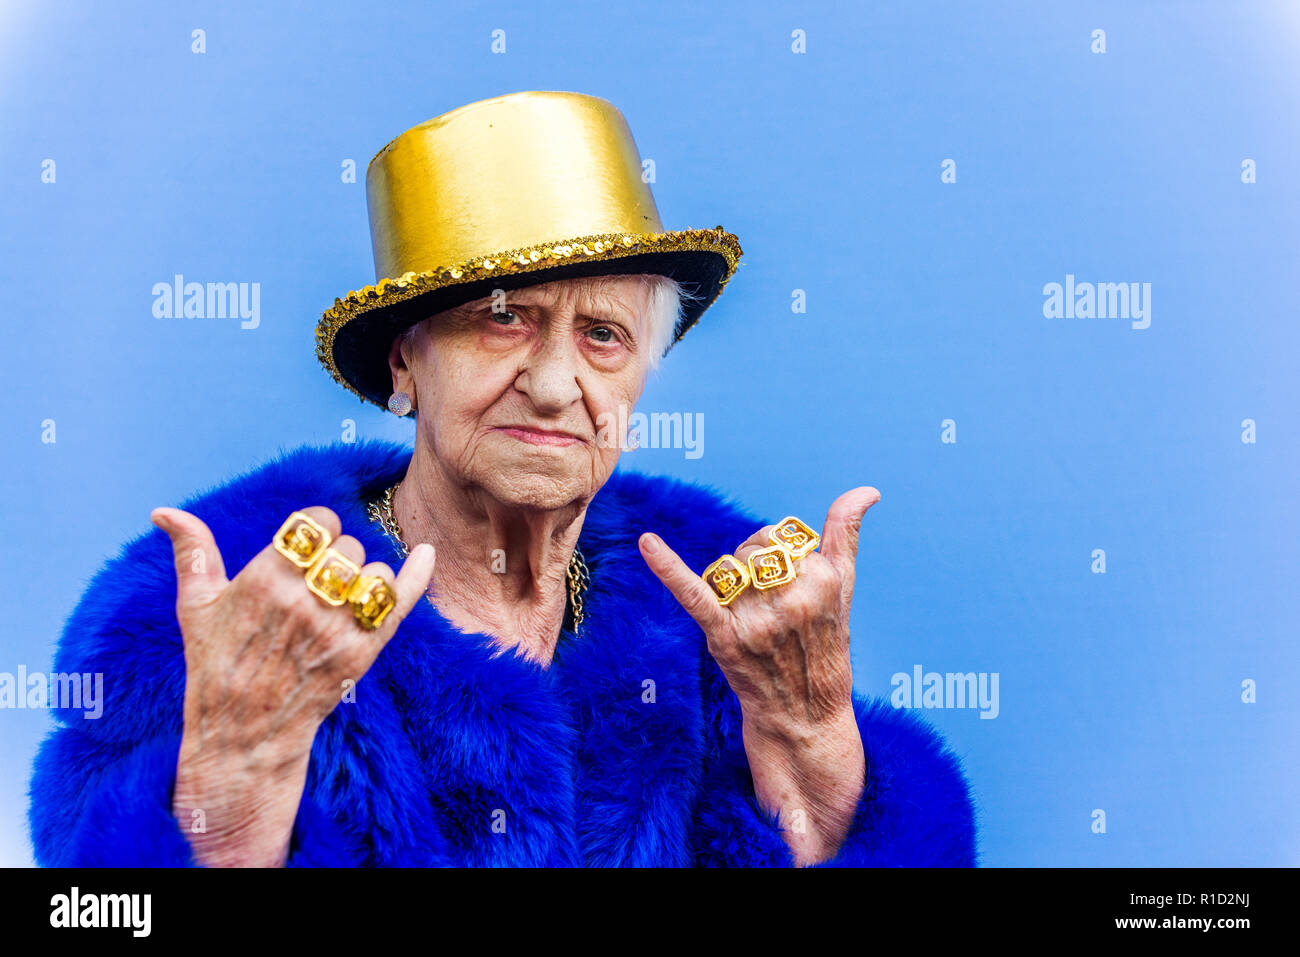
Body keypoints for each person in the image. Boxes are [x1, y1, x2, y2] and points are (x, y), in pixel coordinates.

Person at [29, 91, 979, 867]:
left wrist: (810, 736)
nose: (558, 383)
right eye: (504, 320)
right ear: (405, 364)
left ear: (641, 376)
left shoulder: (722, 611)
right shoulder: (208, 604)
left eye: (602, 336)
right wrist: (232, 780)